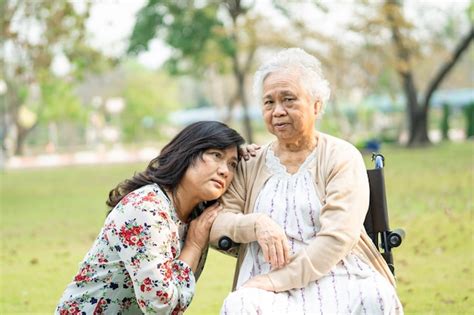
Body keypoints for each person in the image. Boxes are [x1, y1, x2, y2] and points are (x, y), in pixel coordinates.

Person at [210, 48, 403, 314]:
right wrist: (255, 223)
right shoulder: (250, 162)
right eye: (269, 102)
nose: (278, 111)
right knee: (240, 304)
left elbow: (336, 239)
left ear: (316, 104)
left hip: (337, 273)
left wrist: (275, 280)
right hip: (264, 278)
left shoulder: (341, 156)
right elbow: (217, 222)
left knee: (375, 297)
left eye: (288, 100)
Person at [56, 121, 245, 314]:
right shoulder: (146, 209)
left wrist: (255, 161)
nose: (225, 171)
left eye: (232, 164)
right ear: (187, 153)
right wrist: (194, 247)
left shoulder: (196, 216)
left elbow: (247, 251)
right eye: (216, 155)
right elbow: (160, 305)